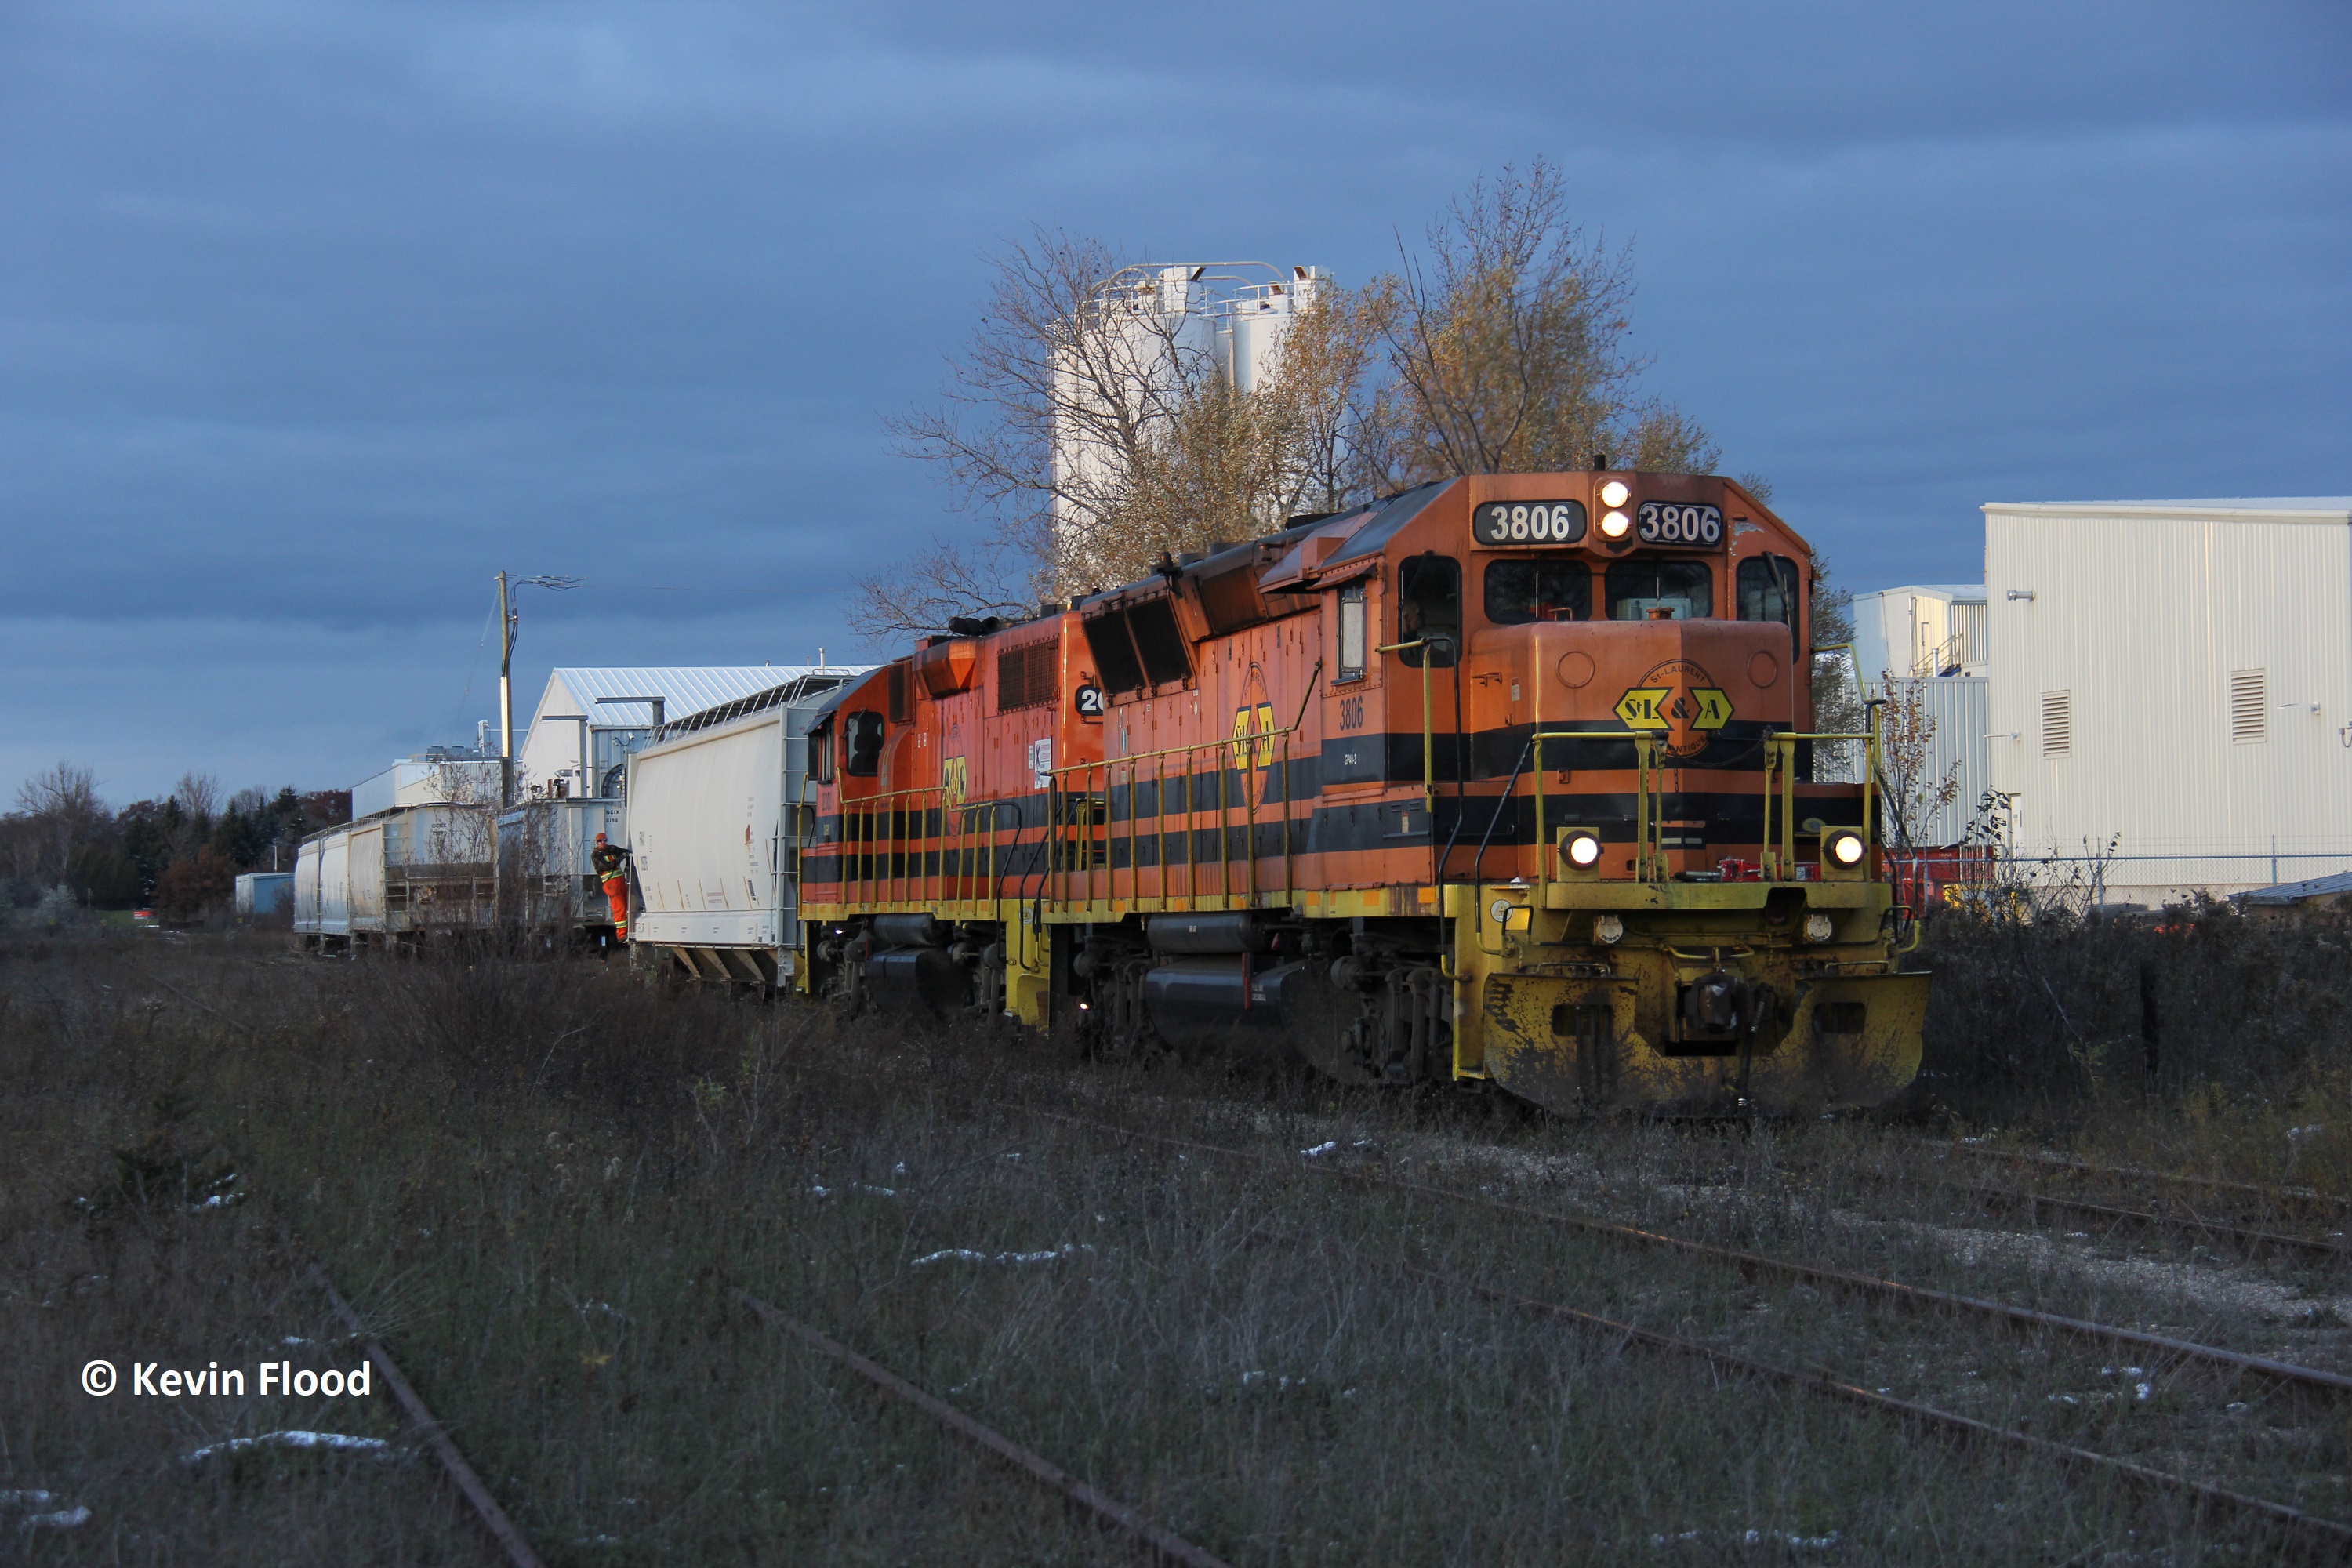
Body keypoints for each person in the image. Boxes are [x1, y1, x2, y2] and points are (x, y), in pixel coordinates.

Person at [590, 833, 631, 940]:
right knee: (620, 909)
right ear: (597, 842)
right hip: (611, 886)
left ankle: (628, 930)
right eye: (600, 841)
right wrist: (620, 859)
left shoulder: (612, 849)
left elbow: (627, 852)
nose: (603, 842)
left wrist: (628, 864)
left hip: (621, 882)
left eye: (605, 840)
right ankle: (621, 934)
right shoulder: (596, 855)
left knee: (628, 907)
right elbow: (606, 866)